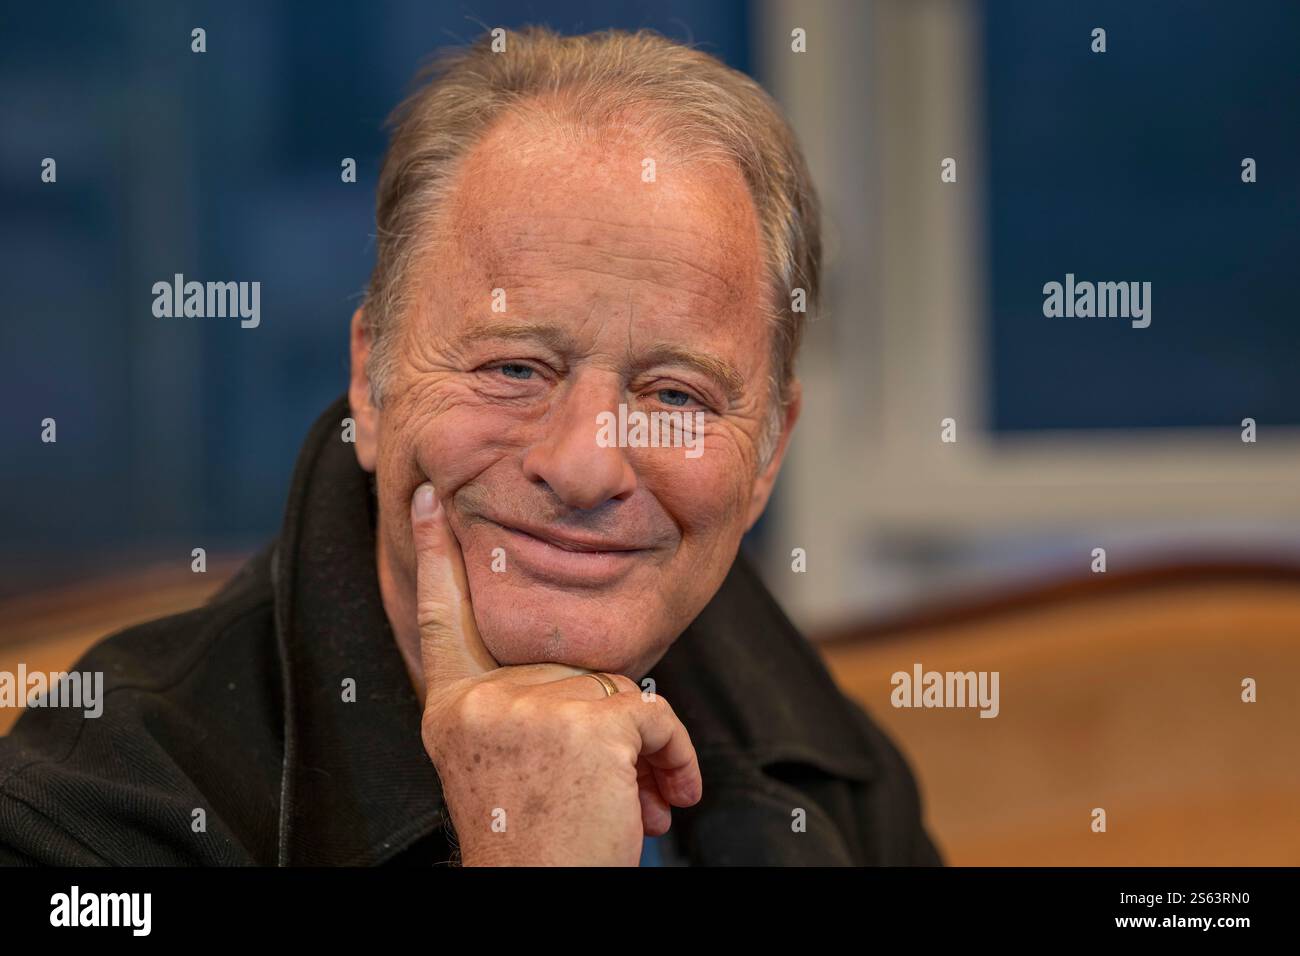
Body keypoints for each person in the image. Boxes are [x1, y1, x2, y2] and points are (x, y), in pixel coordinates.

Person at [0, 26, 941, 866]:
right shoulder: (92, 813)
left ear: (770, 453)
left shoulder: (826, 762)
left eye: (674, 395)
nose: (585, 467)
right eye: (515, 370)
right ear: (372, 384)